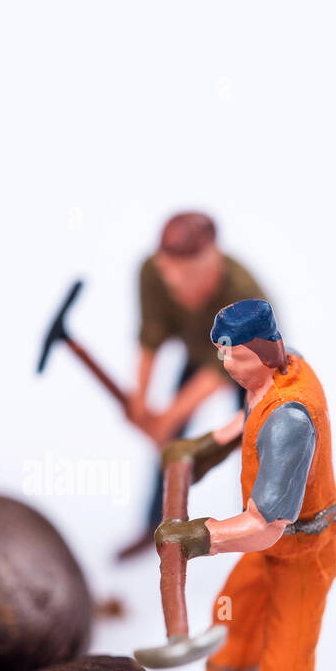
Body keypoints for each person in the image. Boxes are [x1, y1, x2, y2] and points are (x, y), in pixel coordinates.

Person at [156, 299, 336, 671]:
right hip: (273, 547)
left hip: (302, 552)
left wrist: (197, 537)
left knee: (286, 651)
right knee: (230, 614)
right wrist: (204, 448)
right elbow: (246, 417)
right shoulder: (276, 370)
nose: (223, 365)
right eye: (220, 352)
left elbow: (264, 525)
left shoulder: (292, 419)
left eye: (231, 354)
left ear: (261, 351)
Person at [119, 211, 268, 559]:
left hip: (251, 363)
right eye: (171, 274)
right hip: (202, 354)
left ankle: (262, 527)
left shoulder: (242, 292)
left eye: (191, 275)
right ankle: (154, 525)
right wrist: (140, 403)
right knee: (171, 445)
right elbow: (151, 336)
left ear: (214, 256)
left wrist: (169, 415)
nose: (179, 285)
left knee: (254, 440)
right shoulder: (152, 274)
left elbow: (222, 371)